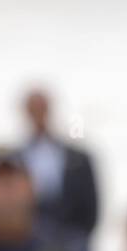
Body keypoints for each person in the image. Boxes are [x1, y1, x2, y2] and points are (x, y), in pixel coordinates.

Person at [21, 88, 100, 240]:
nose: (38, 114)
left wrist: (78, 238)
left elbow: (91, 205)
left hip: (70, 238)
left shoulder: (78, 158)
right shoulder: (15, 160)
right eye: (34, 109)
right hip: (27, 242)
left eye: (41, 108)